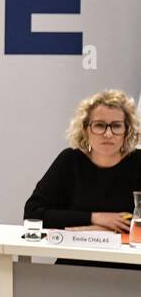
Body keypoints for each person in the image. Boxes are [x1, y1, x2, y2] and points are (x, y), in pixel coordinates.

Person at [24, 89, 141, 231]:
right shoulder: (69, 160)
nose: (108, 134)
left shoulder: (138, 162)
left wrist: (98, 229)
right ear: (85, 130)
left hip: (125, 252)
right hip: (74, 252)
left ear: (127, 130)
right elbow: (32, 214)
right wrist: (95, 218)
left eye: (116, 126)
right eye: (100, 125)